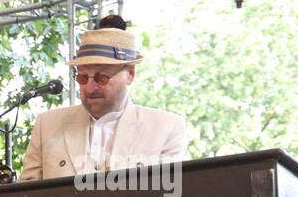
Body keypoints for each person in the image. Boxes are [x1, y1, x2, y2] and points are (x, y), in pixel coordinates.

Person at [20, 15, 187, 181]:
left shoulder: (166, 128)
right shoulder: (48, 125)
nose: (90, 88)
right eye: (83, 78)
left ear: (130, 74)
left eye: (102, 78)